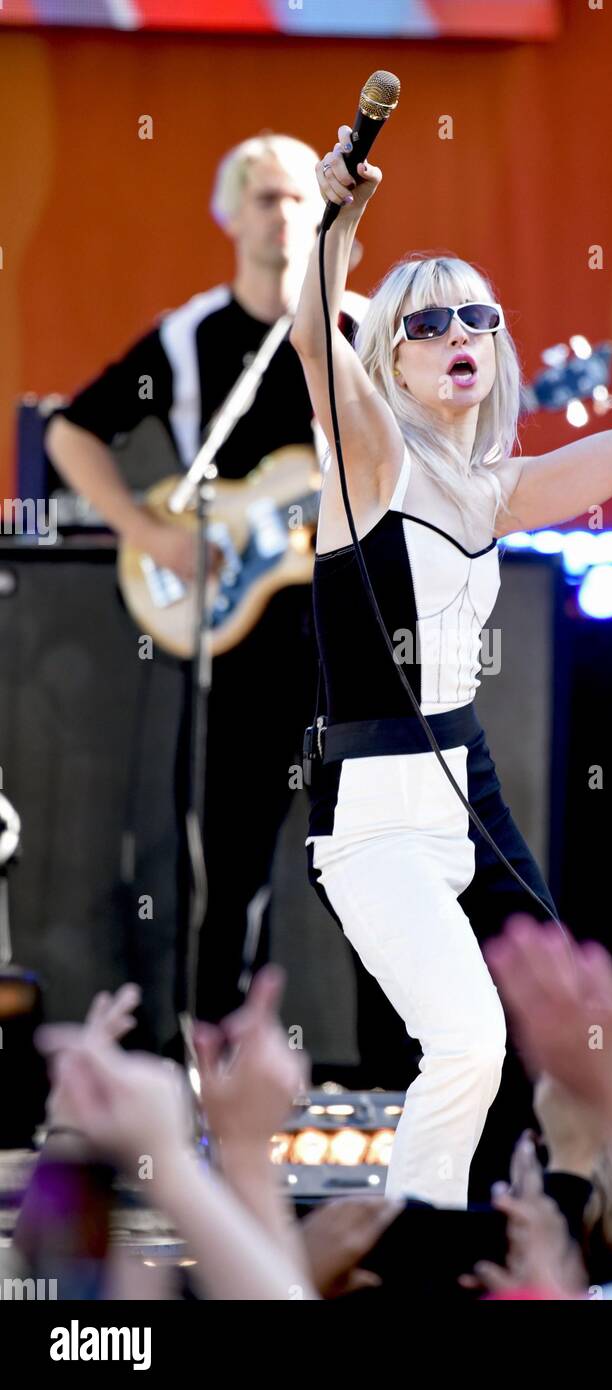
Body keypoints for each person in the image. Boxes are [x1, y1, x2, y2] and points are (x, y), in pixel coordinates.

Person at [290, 123, 612, 1208]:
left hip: (464, 790)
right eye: (424, 323)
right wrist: (332, 224)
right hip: (376, 813)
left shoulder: (495, 487)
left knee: (574, 1026)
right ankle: (408, 1253)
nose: (454, 334)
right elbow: (310, 340)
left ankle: (533, 1237)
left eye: (474, 314)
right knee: (469, 1041)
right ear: (389, 355)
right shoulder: (372, 461)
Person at [44, 134, 363, 1039]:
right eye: (263, 198)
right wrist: (146, 530)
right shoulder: (187, 341)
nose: (283, 215)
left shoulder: (359, 327)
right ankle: (220, 1067)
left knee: (371, 852)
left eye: (299, 198)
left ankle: (402, 1085)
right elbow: (72, 429)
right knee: (228, 862)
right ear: (230, 215)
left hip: (348, 627)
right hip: (236, 642)